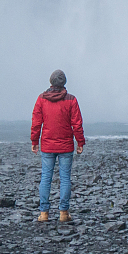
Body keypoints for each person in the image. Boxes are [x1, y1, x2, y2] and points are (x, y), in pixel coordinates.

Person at [30, 70, 84, 223]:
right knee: (65, 178)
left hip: (47, 145)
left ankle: (44, 214)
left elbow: (36, 123)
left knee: (46, 178)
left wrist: (34, 141)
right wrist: (80, 142)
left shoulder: (41, 99)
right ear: (64, 83)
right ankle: (63, 213)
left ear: (51, 82)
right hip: (66, 145)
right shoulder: (71, 100)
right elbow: (77, 124)